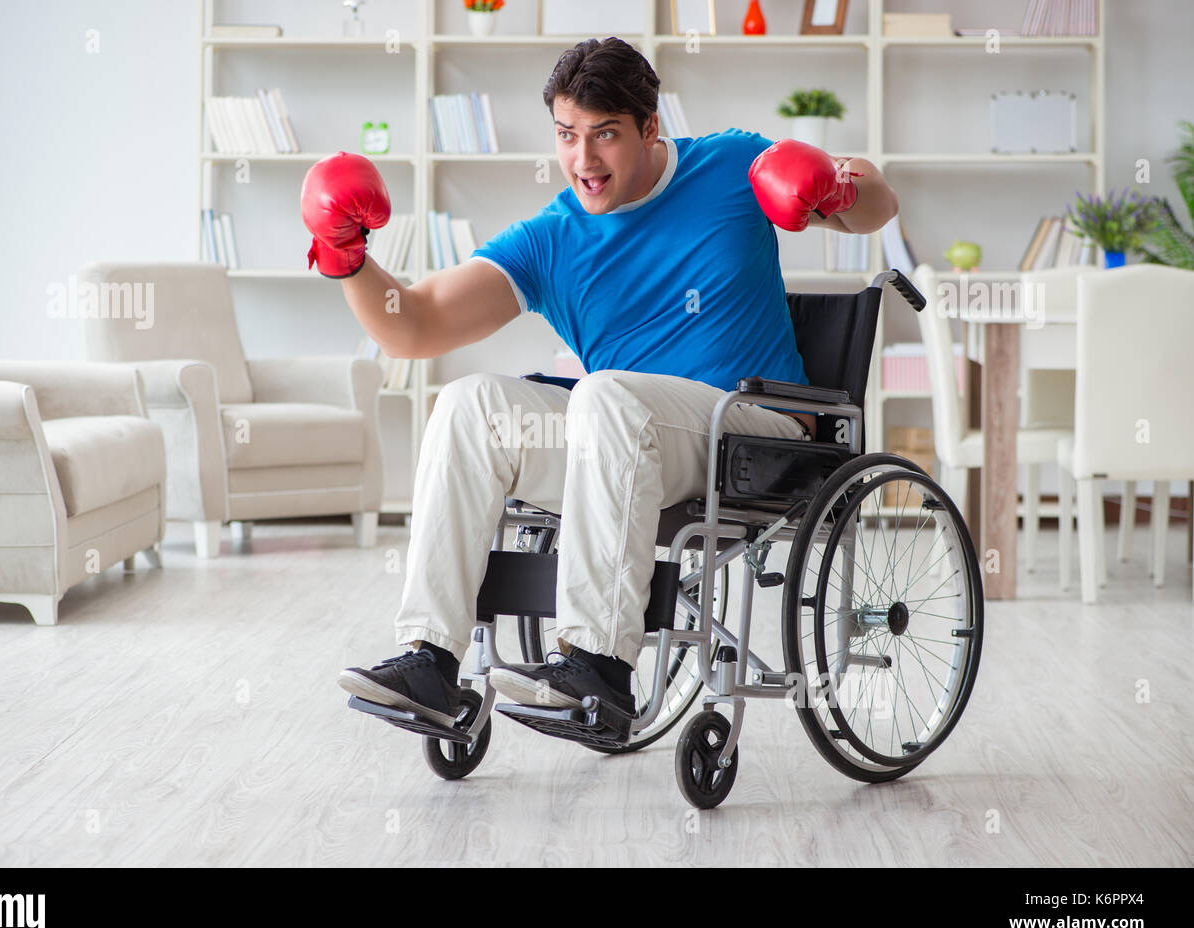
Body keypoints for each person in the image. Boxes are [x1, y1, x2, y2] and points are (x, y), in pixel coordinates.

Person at [310, 37, 898, 739]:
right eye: (567, 136)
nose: (584, 161)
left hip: (755, 434)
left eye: (606, 136)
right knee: (469, 404)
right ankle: (431, 660)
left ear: (651, 127)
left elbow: (879, 205)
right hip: (621, 441)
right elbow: (418, 324)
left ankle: (596, 665)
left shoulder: (731, 164)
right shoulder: (554, 238)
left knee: (605, 394)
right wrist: (347, 260)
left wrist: (837, 187)